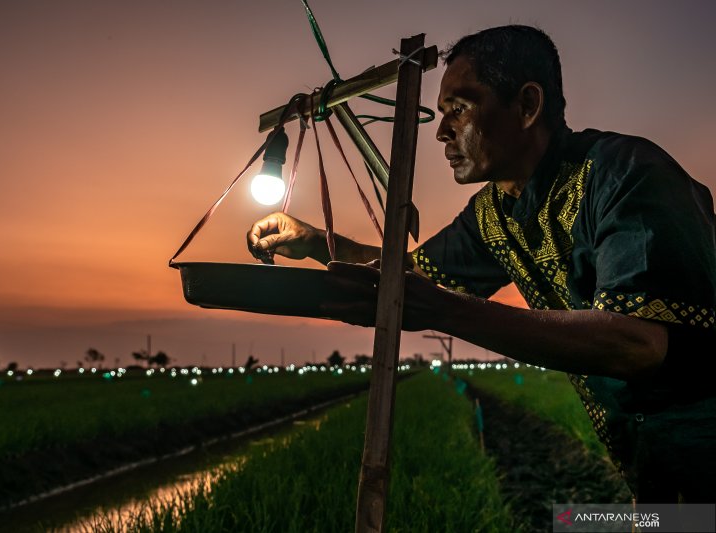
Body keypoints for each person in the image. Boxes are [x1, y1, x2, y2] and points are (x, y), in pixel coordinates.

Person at [246, 25, 715, 503]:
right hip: (652, 467)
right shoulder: (494, 213)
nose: (442, 131)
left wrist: (447, 312)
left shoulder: (627, 174)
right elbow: (413, 275)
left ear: (527, 106)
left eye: (459, 109)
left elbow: (637, 343)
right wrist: (316, 242)